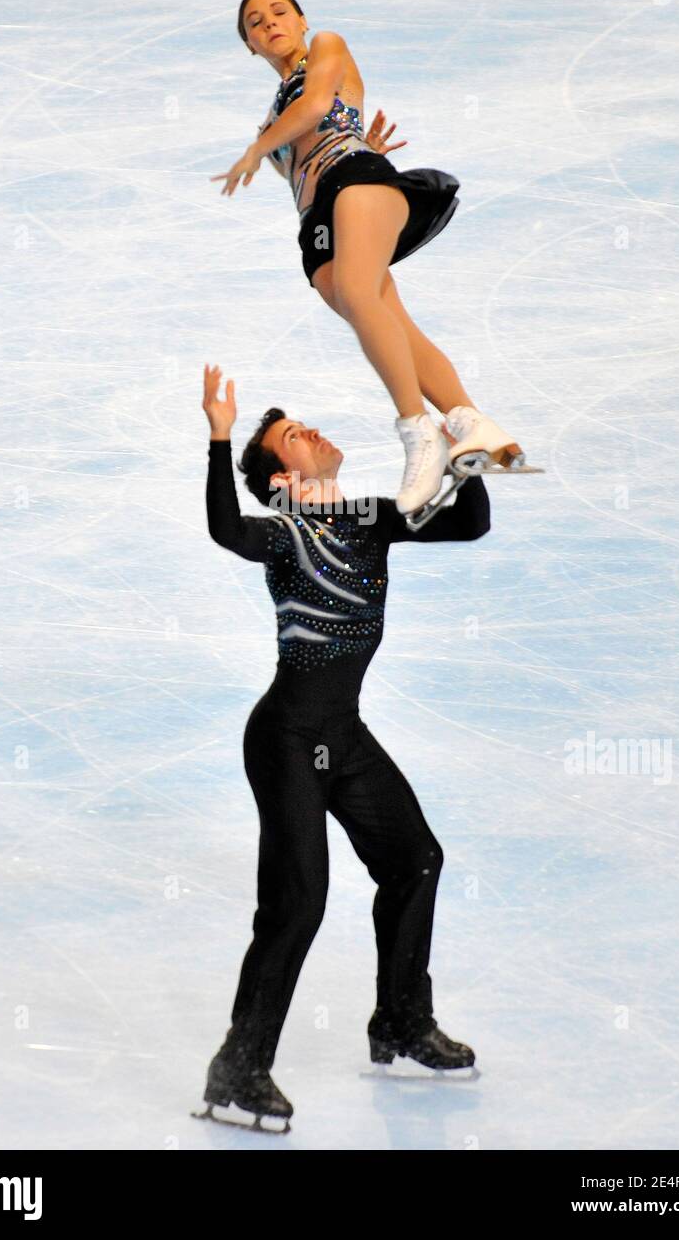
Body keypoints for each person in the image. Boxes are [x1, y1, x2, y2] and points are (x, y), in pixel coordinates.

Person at [197, 362, 490, 1129]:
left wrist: (464, 450)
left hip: (342, 737)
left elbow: (467, 523)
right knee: (297, 904)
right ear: (281, 479)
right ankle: (238, 1068)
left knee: (414, 859)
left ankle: (399, 1023)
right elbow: (226, 530)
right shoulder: (282, 532)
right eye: (293, 437)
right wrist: (219, 438)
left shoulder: (368, 517)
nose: (313, 432)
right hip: (287, 739)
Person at [210, 0, 527, 520]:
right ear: (249, 45)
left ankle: (419, 436)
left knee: (361, 294)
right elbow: (300, 165)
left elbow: (316, 106)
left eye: (279, 12)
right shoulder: (268, 122)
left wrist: (266, 149)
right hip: (316, 222)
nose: (270, 25)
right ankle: (469, 421)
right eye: (256, 23)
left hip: (357, 184)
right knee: (389, 322)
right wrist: (273, 144)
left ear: (302, 18)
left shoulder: (327, 46)